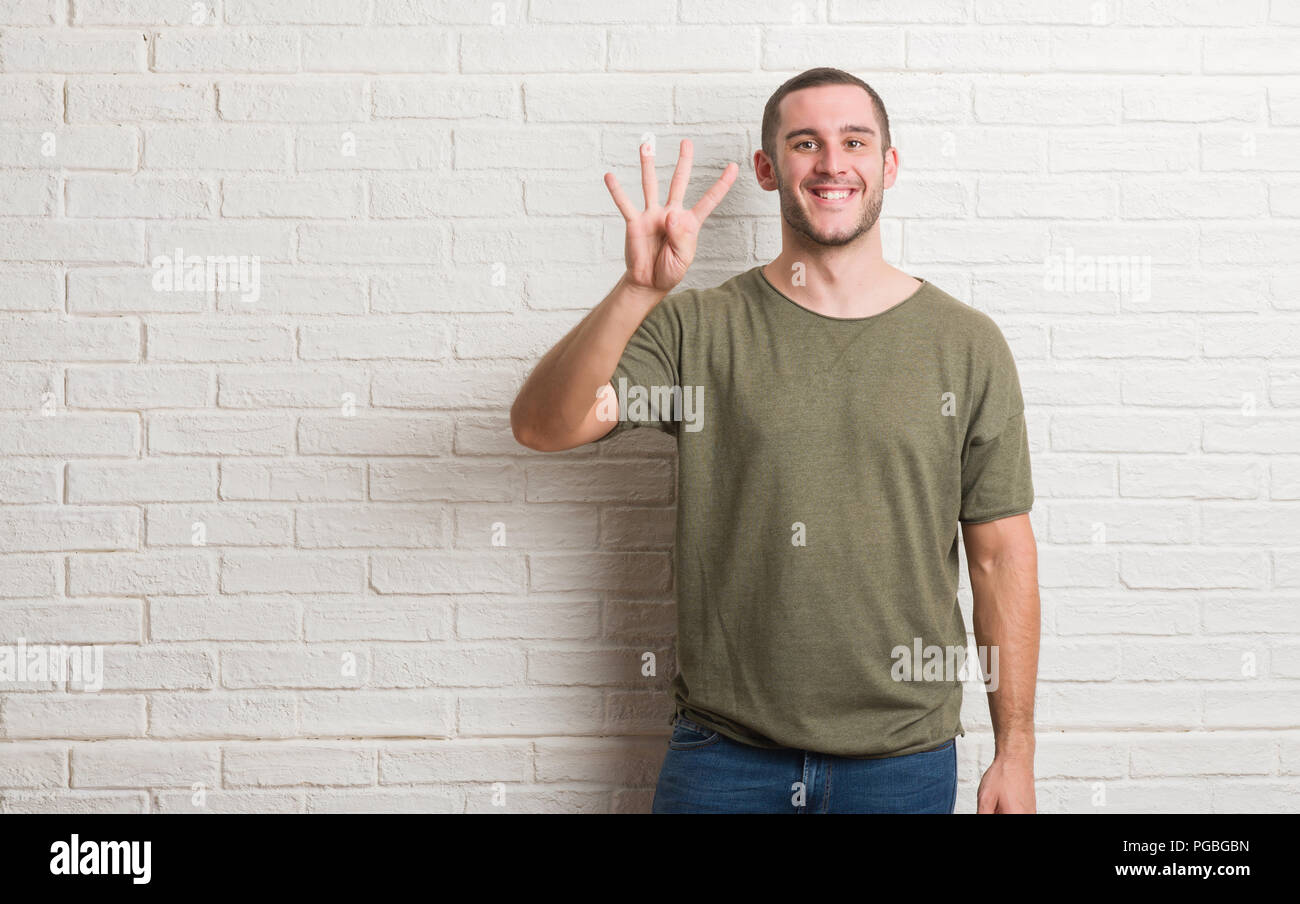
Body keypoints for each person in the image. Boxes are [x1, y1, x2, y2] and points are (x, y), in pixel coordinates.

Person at [510, 67, 1040, 814]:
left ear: (887, 165)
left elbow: (1000, 556)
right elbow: (544, 426)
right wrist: (637, 292)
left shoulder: (967, 344)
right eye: (805, 143)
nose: (832, 162)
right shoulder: (697, 328)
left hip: (902, 762)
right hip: (724, 759)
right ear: (768, 168)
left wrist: (1014, 752)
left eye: (855, 141)